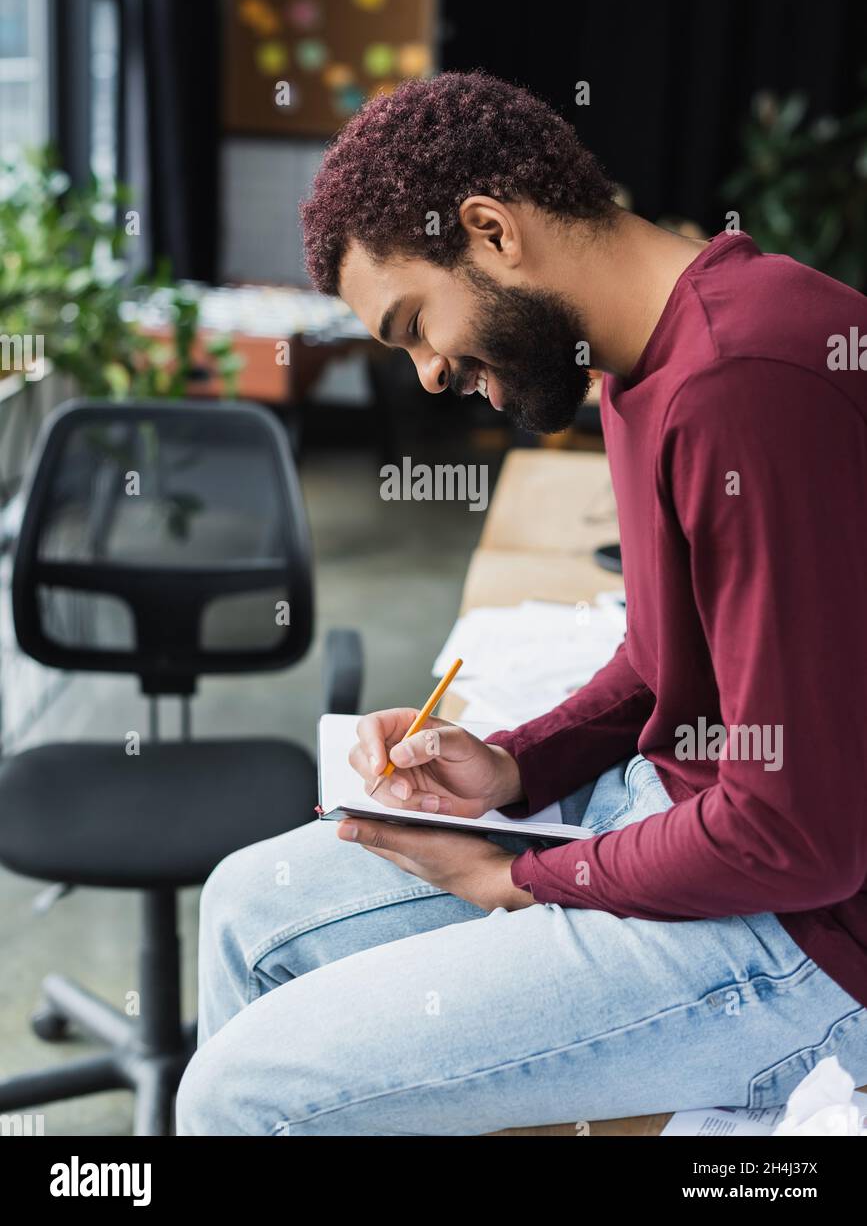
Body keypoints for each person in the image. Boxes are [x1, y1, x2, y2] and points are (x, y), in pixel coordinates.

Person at [176, 72, 867, 1135]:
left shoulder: (743, 385)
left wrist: (528, 877)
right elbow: (666, 654)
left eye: (415, 324)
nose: (428, 374)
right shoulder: (643, 359)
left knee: (241, 1094)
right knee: (247, 907)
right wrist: (513, 765)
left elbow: (796, 836)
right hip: (679, 822)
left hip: (802, 936)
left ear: (492, 231)